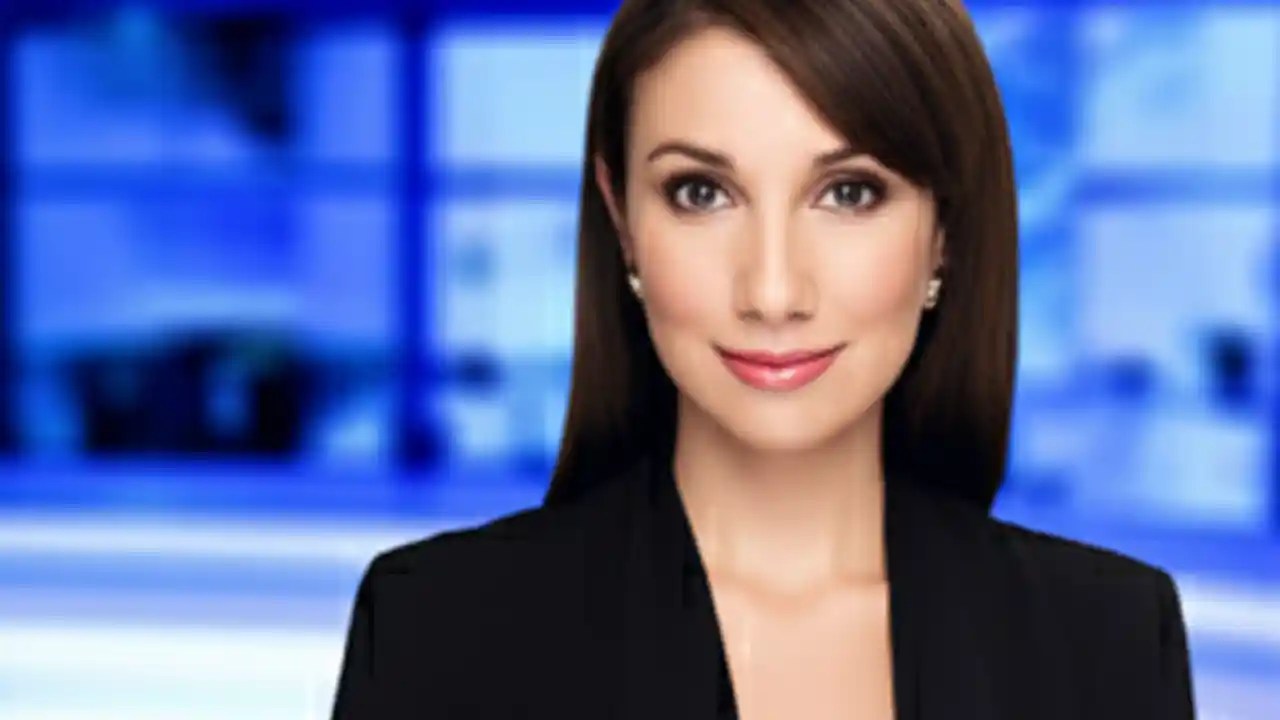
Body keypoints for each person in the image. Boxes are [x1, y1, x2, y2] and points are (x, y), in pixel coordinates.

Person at [330, 0, 1197, 717]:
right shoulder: (433, 631)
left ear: (944, 233)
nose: (773, 291)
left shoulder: (1110, 642)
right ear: (623, 222)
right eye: (701, 194)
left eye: (849, 193)